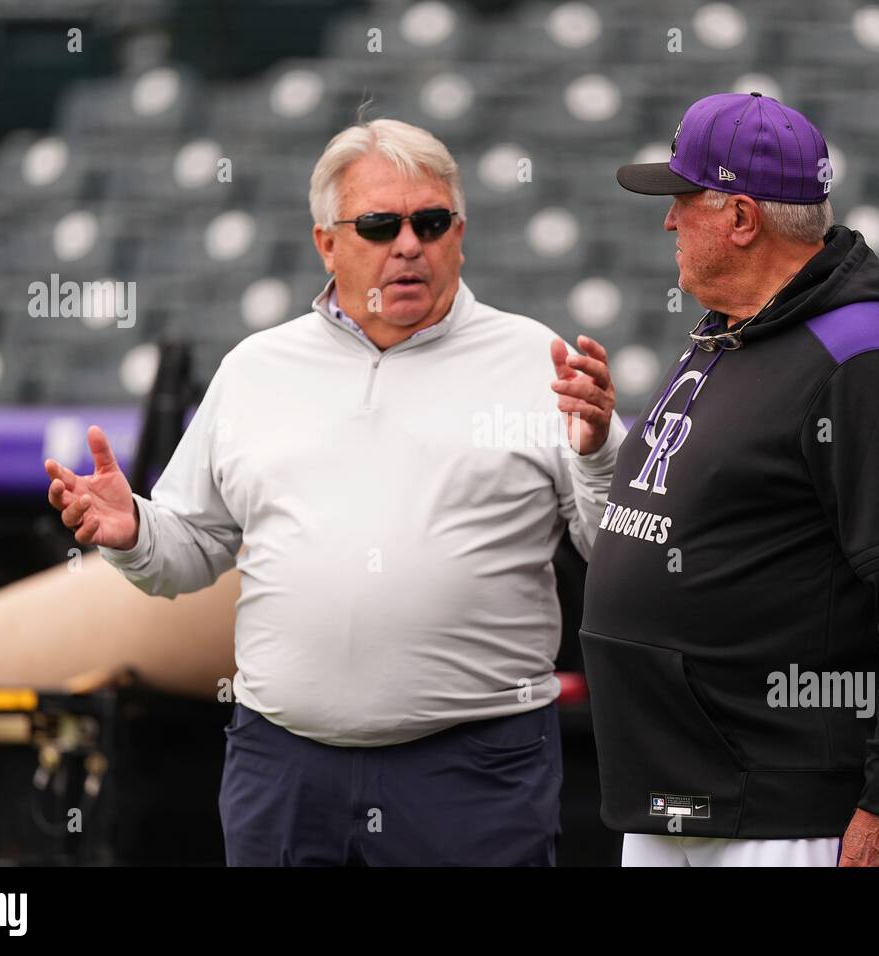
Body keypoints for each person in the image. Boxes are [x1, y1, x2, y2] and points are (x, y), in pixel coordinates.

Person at [43, 118, 626, 866]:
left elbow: (612, 551)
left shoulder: (538, 363)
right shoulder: (257, 368)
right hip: (286, 768)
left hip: (476, 771)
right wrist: (134, 534)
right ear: (326, 242)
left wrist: (601, 452)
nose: (408, 244)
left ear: (460, 234)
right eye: (379, 224)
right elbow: (193, 550)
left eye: (431, 222)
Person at [580, 92, 879, 867]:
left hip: (780, 817)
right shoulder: (731, 327)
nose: (667, 221)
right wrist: (599, 452)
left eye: (682, 201)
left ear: (743, 219)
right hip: (669, 796)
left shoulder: (859, 359)